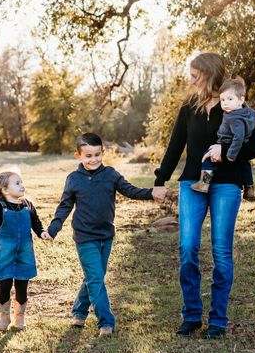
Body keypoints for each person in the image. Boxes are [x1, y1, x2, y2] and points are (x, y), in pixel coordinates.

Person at [152, 52, 255, 340]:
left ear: (210, 74)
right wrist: (160, 179)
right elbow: (175, 146)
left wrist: (226, 153)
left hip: (226, 184)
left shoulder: (235, 105)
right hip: (193, 183)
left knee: (221, 251)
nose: (190, 80)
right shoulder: (189, 108)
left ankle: (218, 319)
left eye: (195, 75)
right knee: (188, 247)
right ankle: (191, 315)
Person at [47, 132, 167, 336]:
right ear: (79, 156)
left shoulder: (111, 175)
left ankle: (79, 311)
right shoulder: (74, 179)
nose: (93, 159)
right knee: (95, 279)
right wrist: (53, 229)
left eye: (97, 155)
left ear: (103, 153)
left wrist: (150, 193)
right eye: (88, 156)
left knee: (95, 276)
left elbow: (130, 190)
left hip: (106, 236)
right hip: (85, 237)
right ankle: (106, 322)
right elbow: (65, 206)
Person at [0, 170, 50, 331]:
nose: (22, 186)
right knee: (4, 286)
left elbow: (36, 223)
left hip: (24, 255)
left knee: (22, 286)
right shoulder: (0, 206)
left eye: (21, 182)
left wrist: (42, 232)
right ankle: (4, 318)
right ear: (4, 189)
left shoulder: (28, 205)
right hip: (5, 255)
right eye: (17, 183)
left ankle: (20, 318)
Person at [191, 77, 255, 194]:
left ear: (241, 100)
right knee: (244, 164)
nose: (225, 103)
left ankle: (204, 183)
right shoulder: (248, 113)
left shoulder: (234, 118)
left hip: (228, 142)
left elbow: (238, 137)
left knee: (208, 156)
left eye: (230, 99)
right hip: (241, 144)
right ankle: (249, 187)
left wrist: (230, 153)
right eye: (222, 100)